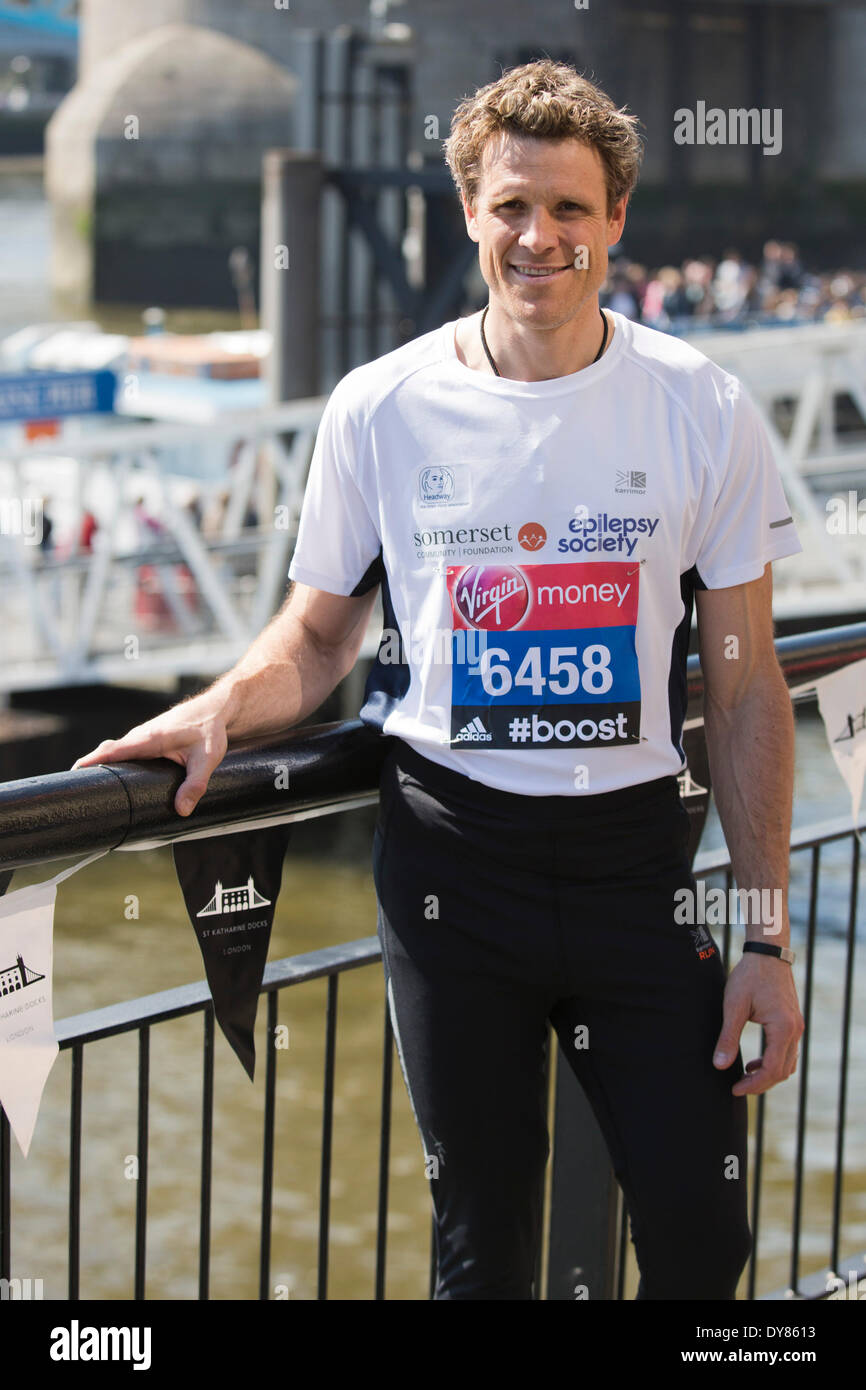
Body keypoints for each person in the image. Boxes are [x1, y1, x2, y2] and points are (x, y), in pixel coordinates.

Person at [74, 60, 805, 1301]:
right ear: (468, 210)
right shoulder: (381, 407)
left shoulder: (700, 405)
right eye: (511, 205)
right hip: (451, 871)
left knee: (700, 1228)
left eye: (570, 210)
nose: (539, 238)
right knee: (482, 1254)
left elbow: (741, 687)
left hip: (636, 866)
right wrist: (213, 708)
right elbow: (314, 639)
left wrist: (765, 935)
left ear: (614, 221)